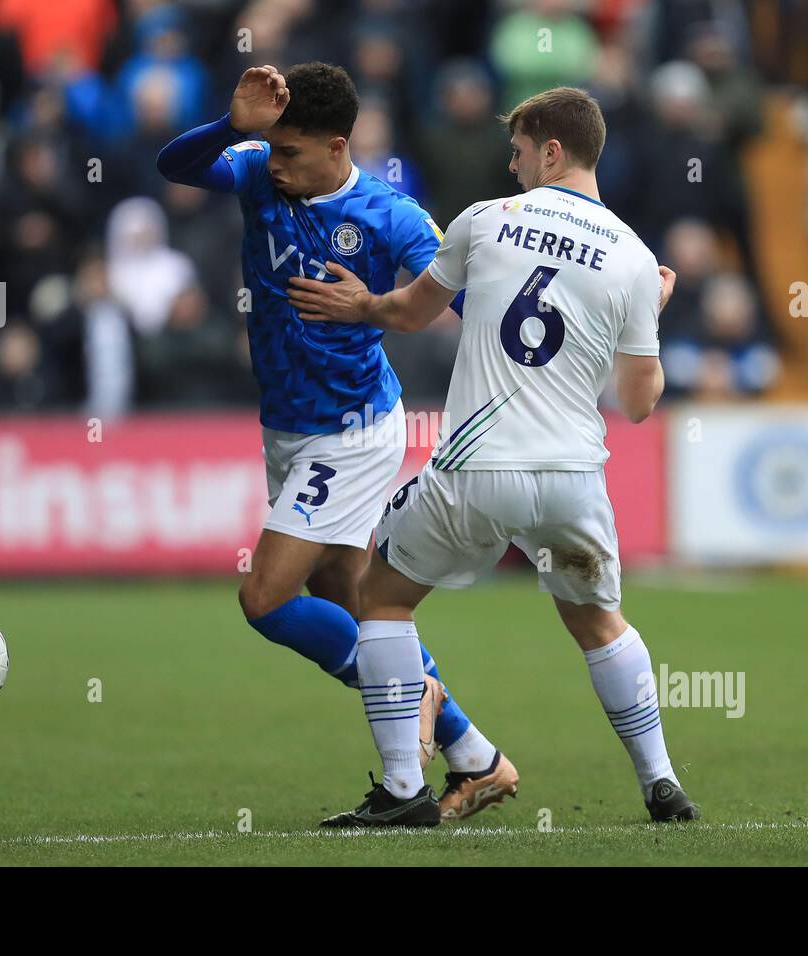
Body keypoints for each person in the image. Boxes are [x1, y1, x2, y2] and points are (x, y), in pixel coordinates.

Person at [289, 87, 697, 828]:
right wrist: (653, 316)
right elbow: (639, 403)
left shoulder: (485, 221)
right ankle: (661, 783)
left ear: (551, 151)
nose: (511, 170)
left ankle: (405, 786)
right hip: (572, 480)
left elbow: (413, 312)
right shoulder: (636, 258)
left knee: (380, 598)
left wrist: (362, 306)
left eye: (517, 154)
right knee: (601, 624)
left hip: (474, 470)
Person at [156, 63, 517, 819]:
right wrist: (233, 125)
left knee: (265, 598)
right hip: (288, 426)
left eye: (288, 152)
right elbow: (174, 166)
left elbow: (454, 306)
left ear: (334, 144)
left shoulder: (392, 216)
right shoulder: (257, 170)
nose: (273, 163)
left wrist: (371, 306)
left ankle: (415, 704)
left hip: (350, 431)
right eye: (268, 149)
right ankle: (478, 759)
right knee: (356, 607)